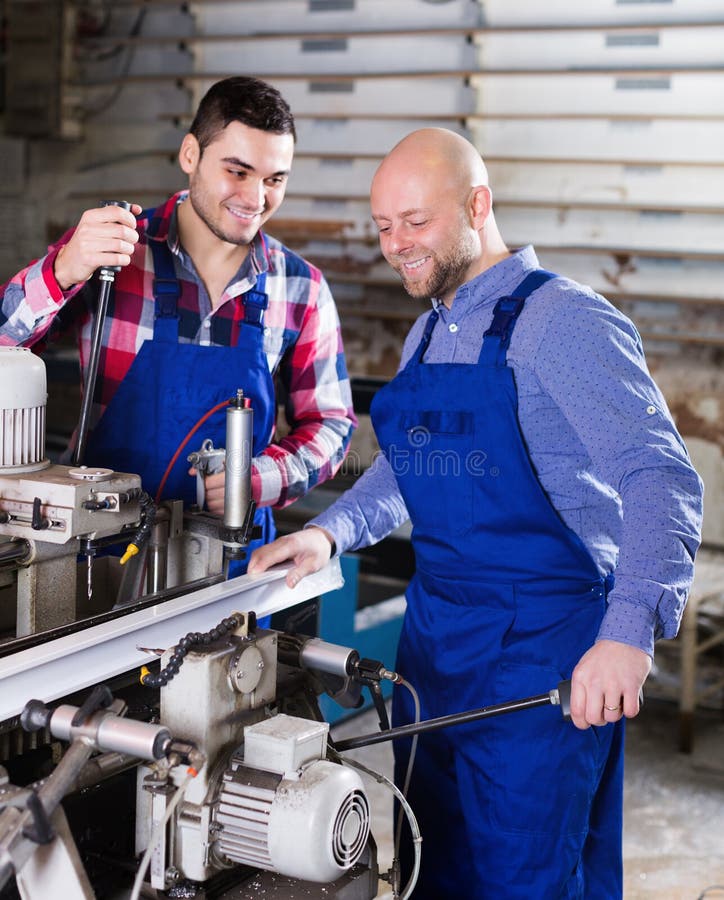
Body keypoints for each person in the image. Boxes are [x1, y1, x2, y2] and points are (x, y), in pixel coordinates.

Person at [248, 128, 704, 898]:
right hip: (436, 655)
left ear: (477, 206)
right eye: (385, 227)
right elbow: (409, 466)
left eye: (415, 223)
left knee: (527, 880)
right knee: (432, 866)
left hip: (541, 660)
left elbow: (661, 476)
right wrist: (331, 532)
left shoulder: (564, 322)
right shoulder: (429, 331)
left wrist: (629, 632)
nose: (397, 246)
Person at [0, 76, 356, 567]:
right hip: (97, 548)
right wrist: (63, 270)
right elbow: (3, 346)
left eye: (275, 179)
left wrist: (254, 480)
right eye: (238, 171)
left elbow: (331, 426)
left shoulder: (302, 288)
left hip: (232, 557)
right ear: (191, 154)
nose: (255, 199)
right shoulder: (113, 253)